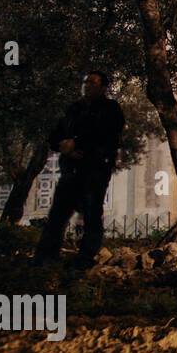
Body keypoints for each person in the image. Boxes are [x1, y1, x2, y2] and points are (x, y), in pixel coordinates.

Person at [33, 70, 126, 268]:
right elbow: (55, 135)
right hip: (71, 170)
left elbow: (106, 134)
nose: (87, 85)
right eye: (86, 82)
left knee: (92, 213)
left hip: (94, 170)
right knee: (58, 213)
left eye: (92, 82)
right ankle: (45, 257)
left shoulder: (110, 109)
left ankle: (85, 258)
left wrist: (76, 143)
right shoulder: (74, 109)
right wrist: (63, 146)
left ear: (103, 87)